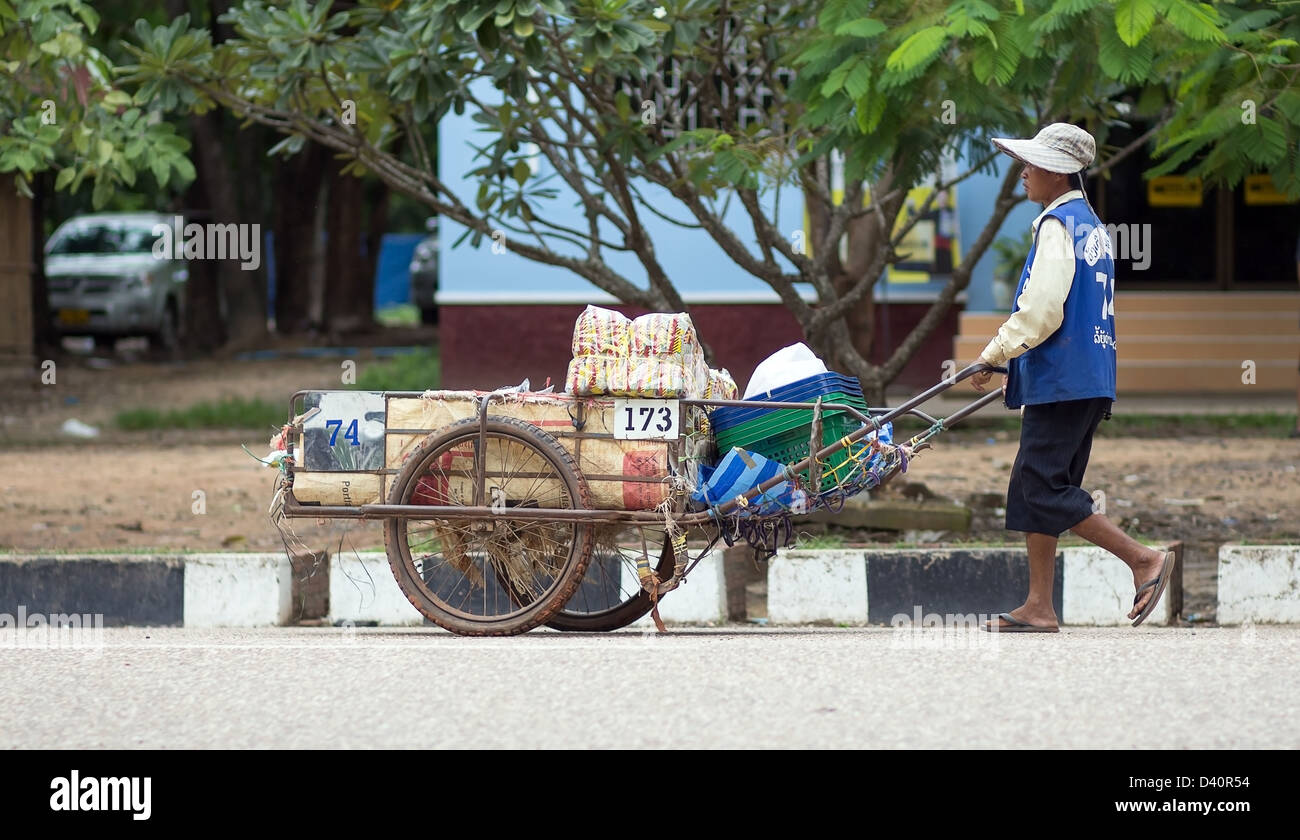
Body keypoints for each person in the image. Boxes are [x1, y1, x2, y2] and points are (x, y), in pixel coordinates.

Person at [969, 123, 1176, 631]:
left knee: (1040, 487)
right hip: (1085, 377)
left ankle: (1142, 559)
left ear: (1056, 173)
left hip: (1064, 381)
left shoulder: (1057, 226)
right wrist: (1012, 363)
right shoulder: (1092, 228)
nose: (1023, 173)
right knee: (1039, 485)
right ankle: (1039, 605)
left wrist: (993, 352)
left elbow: (1042, 312)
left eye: (1031, 164)